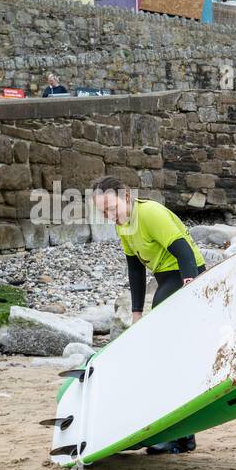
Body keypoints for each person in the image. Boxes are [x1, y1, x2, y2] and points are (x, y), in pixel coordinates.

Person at [92, 174, 207, 455]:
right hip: (165, 279)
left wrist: (191, 288)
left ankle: (177, 435)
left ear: (126, 197)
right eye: (103, 212)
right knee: (172, 359)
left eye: (111, 208)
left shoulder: (150, 213)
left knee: (168, 357)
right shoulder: (123, 225)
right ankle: (183, 435)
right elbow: (135, 270)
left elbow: (183, 251)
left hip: (186, 276)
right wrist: (136, 313)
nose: (109, 216)